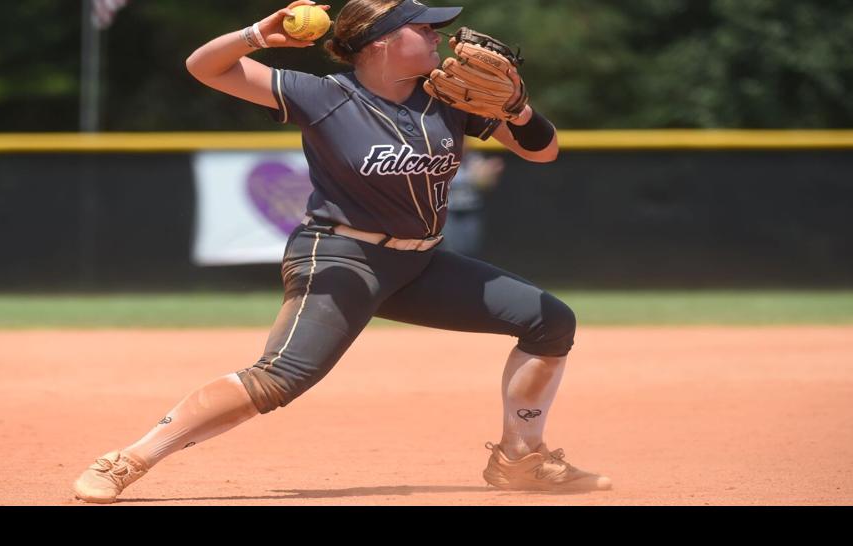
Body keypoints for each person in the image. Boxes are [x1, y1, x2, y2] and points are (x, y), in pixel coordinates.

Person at [72, 0, 610, 503]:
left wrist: (518, 108)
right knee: (280, 377)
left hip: (418, 263)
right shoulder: (324, 95)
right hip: (339, 256)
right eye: (422, 28)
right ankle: (128, 460)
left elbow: (543, 151)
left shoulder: (449, 100)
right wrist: (258, 35)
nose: (437, 37)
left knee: (549, 322)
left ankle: (520, 458)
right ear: (378, 43)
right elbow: (203, 67)